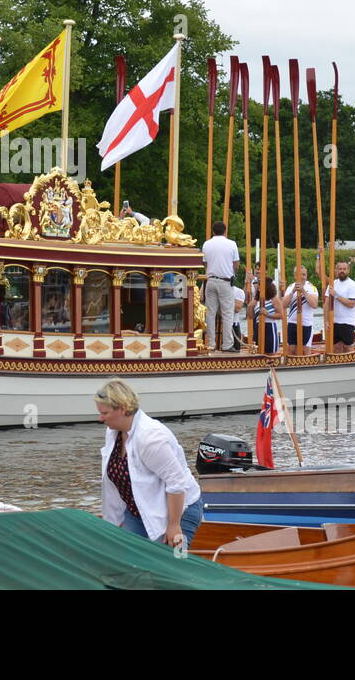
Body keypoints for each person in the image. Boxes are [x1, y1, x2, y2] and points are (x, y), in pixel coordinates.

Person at [95, 379, 203, 546]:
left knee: (170, 563)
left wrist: (173, 525)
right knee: (126, 559)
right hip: (138, 509)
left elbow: (176, 482)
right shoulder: (113, 432)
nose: (100, 418)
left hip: (178, 510)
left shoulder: (150, 438)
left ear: (122, 409)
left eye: (105, 413)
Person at [201, 220, 239, 353]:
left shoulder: (206, 244)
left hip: (210, 280)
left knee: (210, 313)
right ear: (225, 231)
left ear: (213, 231)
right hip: (225, 281)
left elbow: (205, 263)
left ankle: (211, 343)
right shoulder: (231, 244)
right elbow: (235, 264)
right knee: (227, 313)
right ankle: (227, 344)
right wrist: (232, 274)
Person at [326, 259, 355, 351]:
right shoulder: (332, 284)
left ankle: (350, 364)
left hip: (347, 321)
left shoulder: (353, 285)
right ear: (336, 270)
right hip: (335, 321)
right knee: (336, 348)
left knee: (348, 347)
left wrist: (336, 295)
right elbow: (326, 303)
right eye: (340, 269)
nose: (342, 271)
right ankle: (338, 365)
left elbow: (351, 304)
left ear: (348, 270)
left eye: (344, 269)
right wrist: (326, 320)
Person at [282, 265, 319, 354]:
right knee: (291, 350)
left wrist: (303, 291)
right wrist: (292, 292)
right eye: (300, 275)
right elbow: (283, 305)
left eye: (304, 275)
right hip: (292, 323)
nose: (302, 277)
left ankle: (307, 367)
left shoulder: (311, 287)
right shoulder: (290, 287)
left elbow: (314, 305)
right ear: (295, 275)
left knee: (305, 350)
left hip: (306, 324)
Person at [254, 277, 284, 354]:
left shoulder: (274, 299)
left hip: (269, 328)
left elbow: (281, 315)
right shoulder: (257, 300)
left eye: (260, 286)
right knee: (259, 354)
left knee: (271, 354)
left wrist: (267, 314)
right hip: (258, 327)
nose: (258, 287)